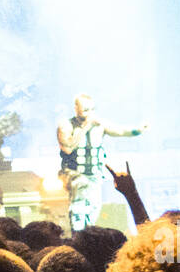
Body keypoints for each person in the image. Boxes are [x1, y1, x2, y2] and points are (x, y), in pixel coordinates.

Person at [57, 95, 147, 231]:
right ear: (76, 109)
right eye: (85, 110)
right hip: (75, 174)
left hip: (95, 175)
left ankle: (89, 236)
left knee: (94, 208)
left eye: (92, 109)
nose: (90, 114)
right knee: (78, 208)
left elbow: (121, 131)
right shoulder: (66, 125)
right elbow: (68, 148)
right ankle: (78, 238)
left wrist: (138, 130)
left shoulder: (100, 125)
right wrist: (86, 127)